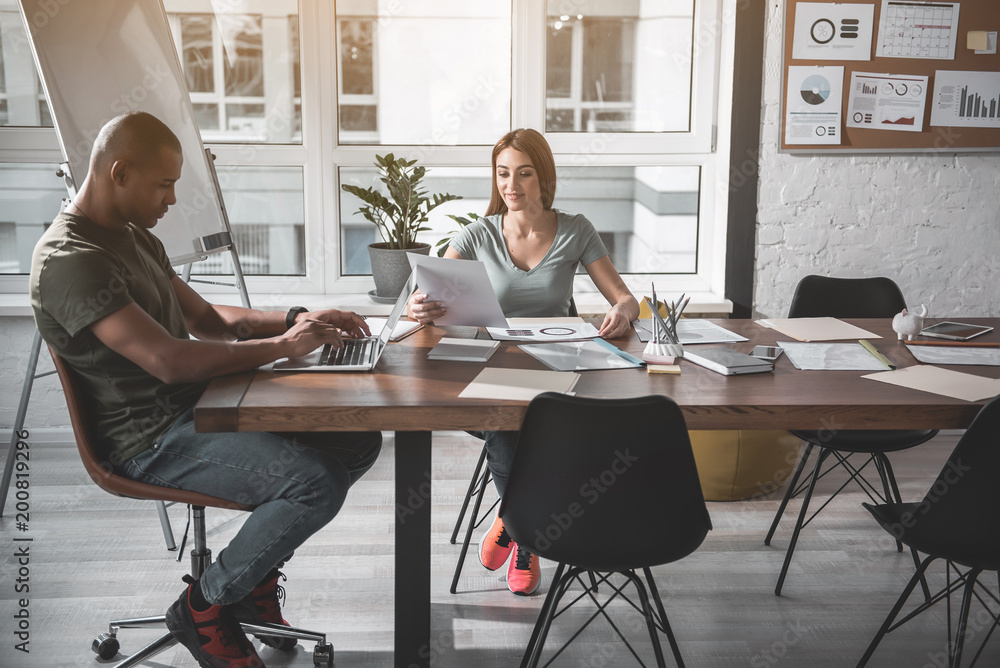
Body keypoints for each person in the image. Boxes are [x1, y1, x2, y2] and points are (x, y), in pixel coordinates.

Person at [30, 111, 381, 668]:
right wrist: (284, 348)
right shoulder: (73, 261)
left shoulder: (133, 237)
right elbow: (169, 360)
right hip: (148, 442)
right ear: (119, 171)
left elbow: (211, 320)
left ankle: (253, 579)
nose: (172, 199)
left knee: (358, 441)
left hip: (201, 408)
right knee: (315, 483)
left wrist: (297, 318)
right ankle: (206, 604)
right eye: (164, 184)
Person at [407, 128, 639, 595]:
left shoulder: (575, 229)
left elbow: (626, 298)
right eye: (503, 174)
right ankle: (526, 534)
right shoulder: (476, 235)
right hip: (488, 372)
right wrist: (419, 305)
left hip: (557, 371)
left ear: (543, 177)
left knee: (532, 423)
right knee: (508, 420)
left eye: (524, 173)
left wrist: (621, 311)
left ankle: (511, 527)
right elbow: (428, 292)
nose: (511, 185)